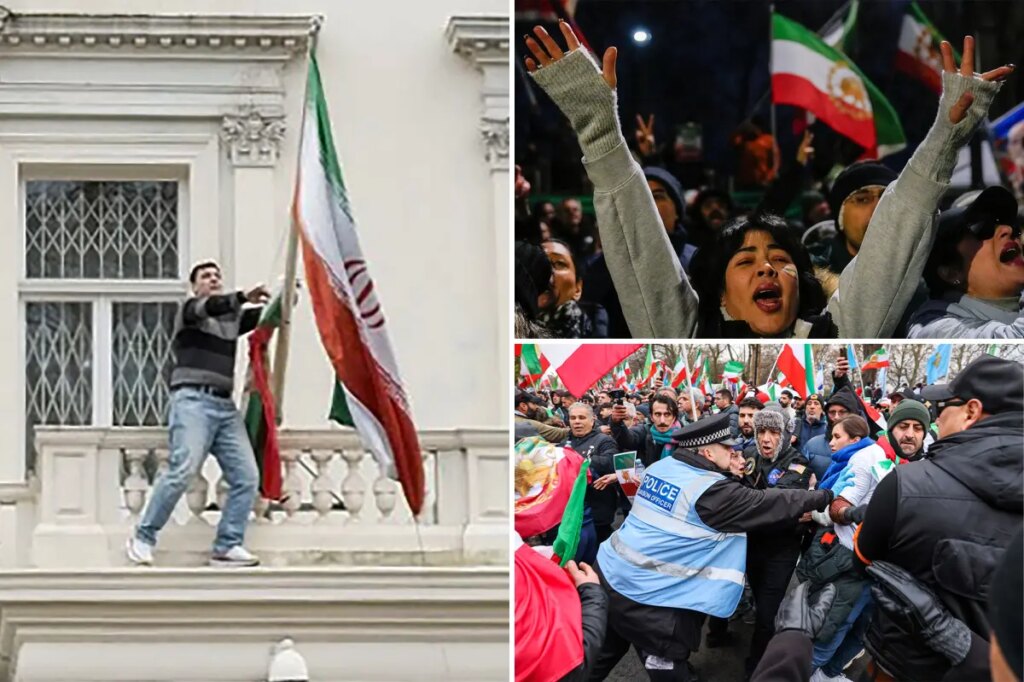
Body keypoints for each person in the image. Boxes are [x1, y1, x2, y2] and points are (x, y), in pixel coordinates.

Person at [523, 25, 1010, 339]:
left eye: (781, 259)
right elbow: (639, 251)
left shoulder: (839, 331)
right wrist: (598, 128)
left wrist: (947, 138)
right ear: (717, 293)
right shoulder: (688, 334)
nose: (767, 270)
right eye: (746, 260)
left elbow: (895, 233)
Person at [589, 412, 836, 681]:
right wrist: (822, 496)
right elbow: (772, 501)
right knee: (670, 670)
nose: (735, 452)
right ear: (707, 451)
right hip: (650, 602)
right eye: (728, 448)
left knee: (599, 660)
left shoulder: (663, 466)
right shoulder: (710, 490)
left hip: (609, 576)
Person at [853, 355, 1023, 682]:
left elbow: (864, 560)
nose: (936, 419)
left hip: (899, 667)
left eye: (942, 406)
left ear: (970, 412)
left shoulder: (906, 484)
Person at [126, 260, 268, 567]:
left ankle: (227, 545)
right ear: (195, 286)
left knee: (247, 476)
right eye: (206, 276)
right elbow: (211, 307)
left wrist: (285, 297)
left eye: (218, 275)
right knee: (182, 469)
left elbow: (267, 318)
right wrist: (243, 296)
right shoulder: (190, 311)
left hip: (223, 407)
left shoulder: (230, 319)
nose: (214, 279)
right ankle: (143, 536)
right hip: (192, 401)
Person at [740, 407, 816, 675]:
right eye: (761, 431)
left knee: (766, 615)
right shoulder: (748, 455)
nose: (766, 439)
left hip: (780, 551)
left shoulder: (799, 465)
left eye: (774, 432)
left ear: (787, 435)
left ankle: (756, 668)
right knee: (759, 599)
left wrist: (743, 495)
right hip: (751, 546)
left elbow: (777, 503)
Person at [909, 185, 1024, 337]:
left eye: (1013, 227)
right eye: (984, 228)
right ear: (951, 273)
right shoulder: (934, 328)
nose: (1007, 230)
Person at [561, 403, 620, 544]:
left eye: (582, 417)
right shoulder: (563, 444)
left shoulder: (604, 440)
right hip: (573, 510)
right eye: (573, 418)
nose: (577, 421)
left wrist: (579, 459)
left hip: (598, 509)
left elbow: (610, 462)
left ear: (592, 420)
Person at [540, 238, 609, 338]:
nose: (546, 270)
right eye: (538, 263)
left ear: (577, 289)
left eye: (559, 263)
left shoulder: (593, 320)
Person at [608, 394, 681, 467]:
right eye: (658, 414)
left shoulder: (684, 437)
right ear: (651, 417)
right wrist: (616, 423)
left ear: (674, 417)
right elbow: (627, 440)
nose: (662, 421)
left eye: (667, 414)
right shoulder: (644, 431)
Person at [875, 398, 930, 464]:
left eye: (917, 428)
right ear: (891, 430)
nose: (909, 435)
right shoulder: (871, 460)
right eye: (903, 427)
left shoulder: (932, 464)